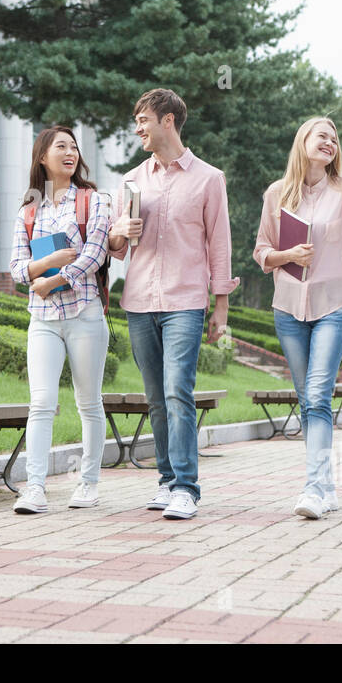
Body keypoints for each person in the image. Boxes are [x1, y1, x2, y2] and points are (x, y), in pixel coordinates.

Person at [108, 89, 238, 521]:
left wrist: (220, 309)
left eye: (142, 119)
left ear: (168, 121)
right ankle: (166, 481)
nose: (137, 127)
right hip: (140, 301)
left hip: (185, 300)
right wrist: (120, 231)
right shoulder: (131, 180)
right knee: (155, 397)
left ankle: (186, 487)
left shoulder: (208, 178)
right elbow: (115, 249)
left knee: (176, 390)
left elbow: (219, 246)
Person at [253, 117, 342, 519]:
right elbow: (262, 253)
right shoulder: (276, 194)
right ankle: (327, 485)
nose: (330, 143)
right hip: (288, 308)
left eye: (335, 139)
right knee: (307, 400)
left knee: (319, 396)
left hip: (333, 305)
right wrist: (289, 256)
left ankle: (314, 489)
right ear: (302, 141)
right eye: (323, 136)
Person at [8, 125, 112, 514]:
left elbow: (95, 253)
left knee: (88, 402)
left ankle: (87, 483)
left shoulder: (94, 200)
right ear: (42, 157)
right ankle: (34, 488)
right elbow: (17, 270)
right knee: (41, 403)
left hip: (85, 315)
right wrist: (49, 262)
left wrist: (52, 279)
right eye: (60, 147)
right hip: (43, 320)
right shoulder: (29, 211)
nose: (70, 153)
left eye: (73, 147)